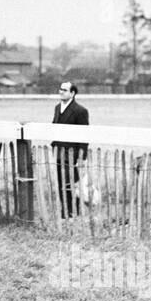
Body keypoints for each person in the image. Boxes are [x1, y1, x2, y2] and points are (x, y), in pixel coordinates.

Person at [52, 81, 89, 218]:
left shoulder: (80, 111)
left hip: (71, 154)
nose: (61, 92)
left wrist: (81, 157)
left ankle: (73, 211)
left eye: (65, 90)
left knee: (72, 183)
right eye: (60, 89)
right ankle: (65, 211)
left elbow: (84, 136)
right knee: (61, 182)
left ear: (72, 93)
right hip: (58, 152)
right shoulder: (57, 108)